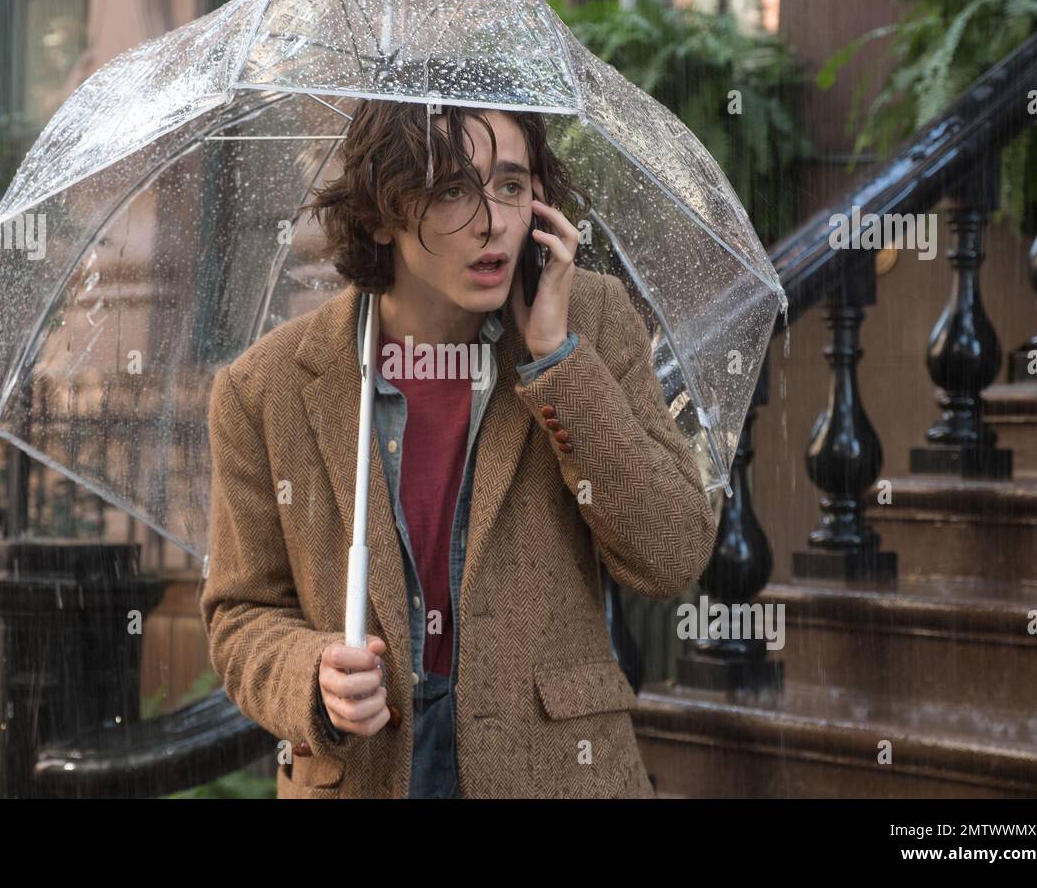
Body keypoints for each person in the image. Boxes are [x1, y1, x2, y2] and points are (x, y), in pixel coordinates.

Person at [199, 97, 718, 798]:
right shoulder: (263, 390)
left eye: (512, 184)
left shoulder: (590, 318)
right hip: (368, 771)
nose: (493, 221)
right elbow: (239, 615)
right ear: (383, 213)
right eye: (452, 190)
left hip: (551, 769)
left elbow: (671, 553)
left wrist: (555, 360)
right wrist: (311, 672)